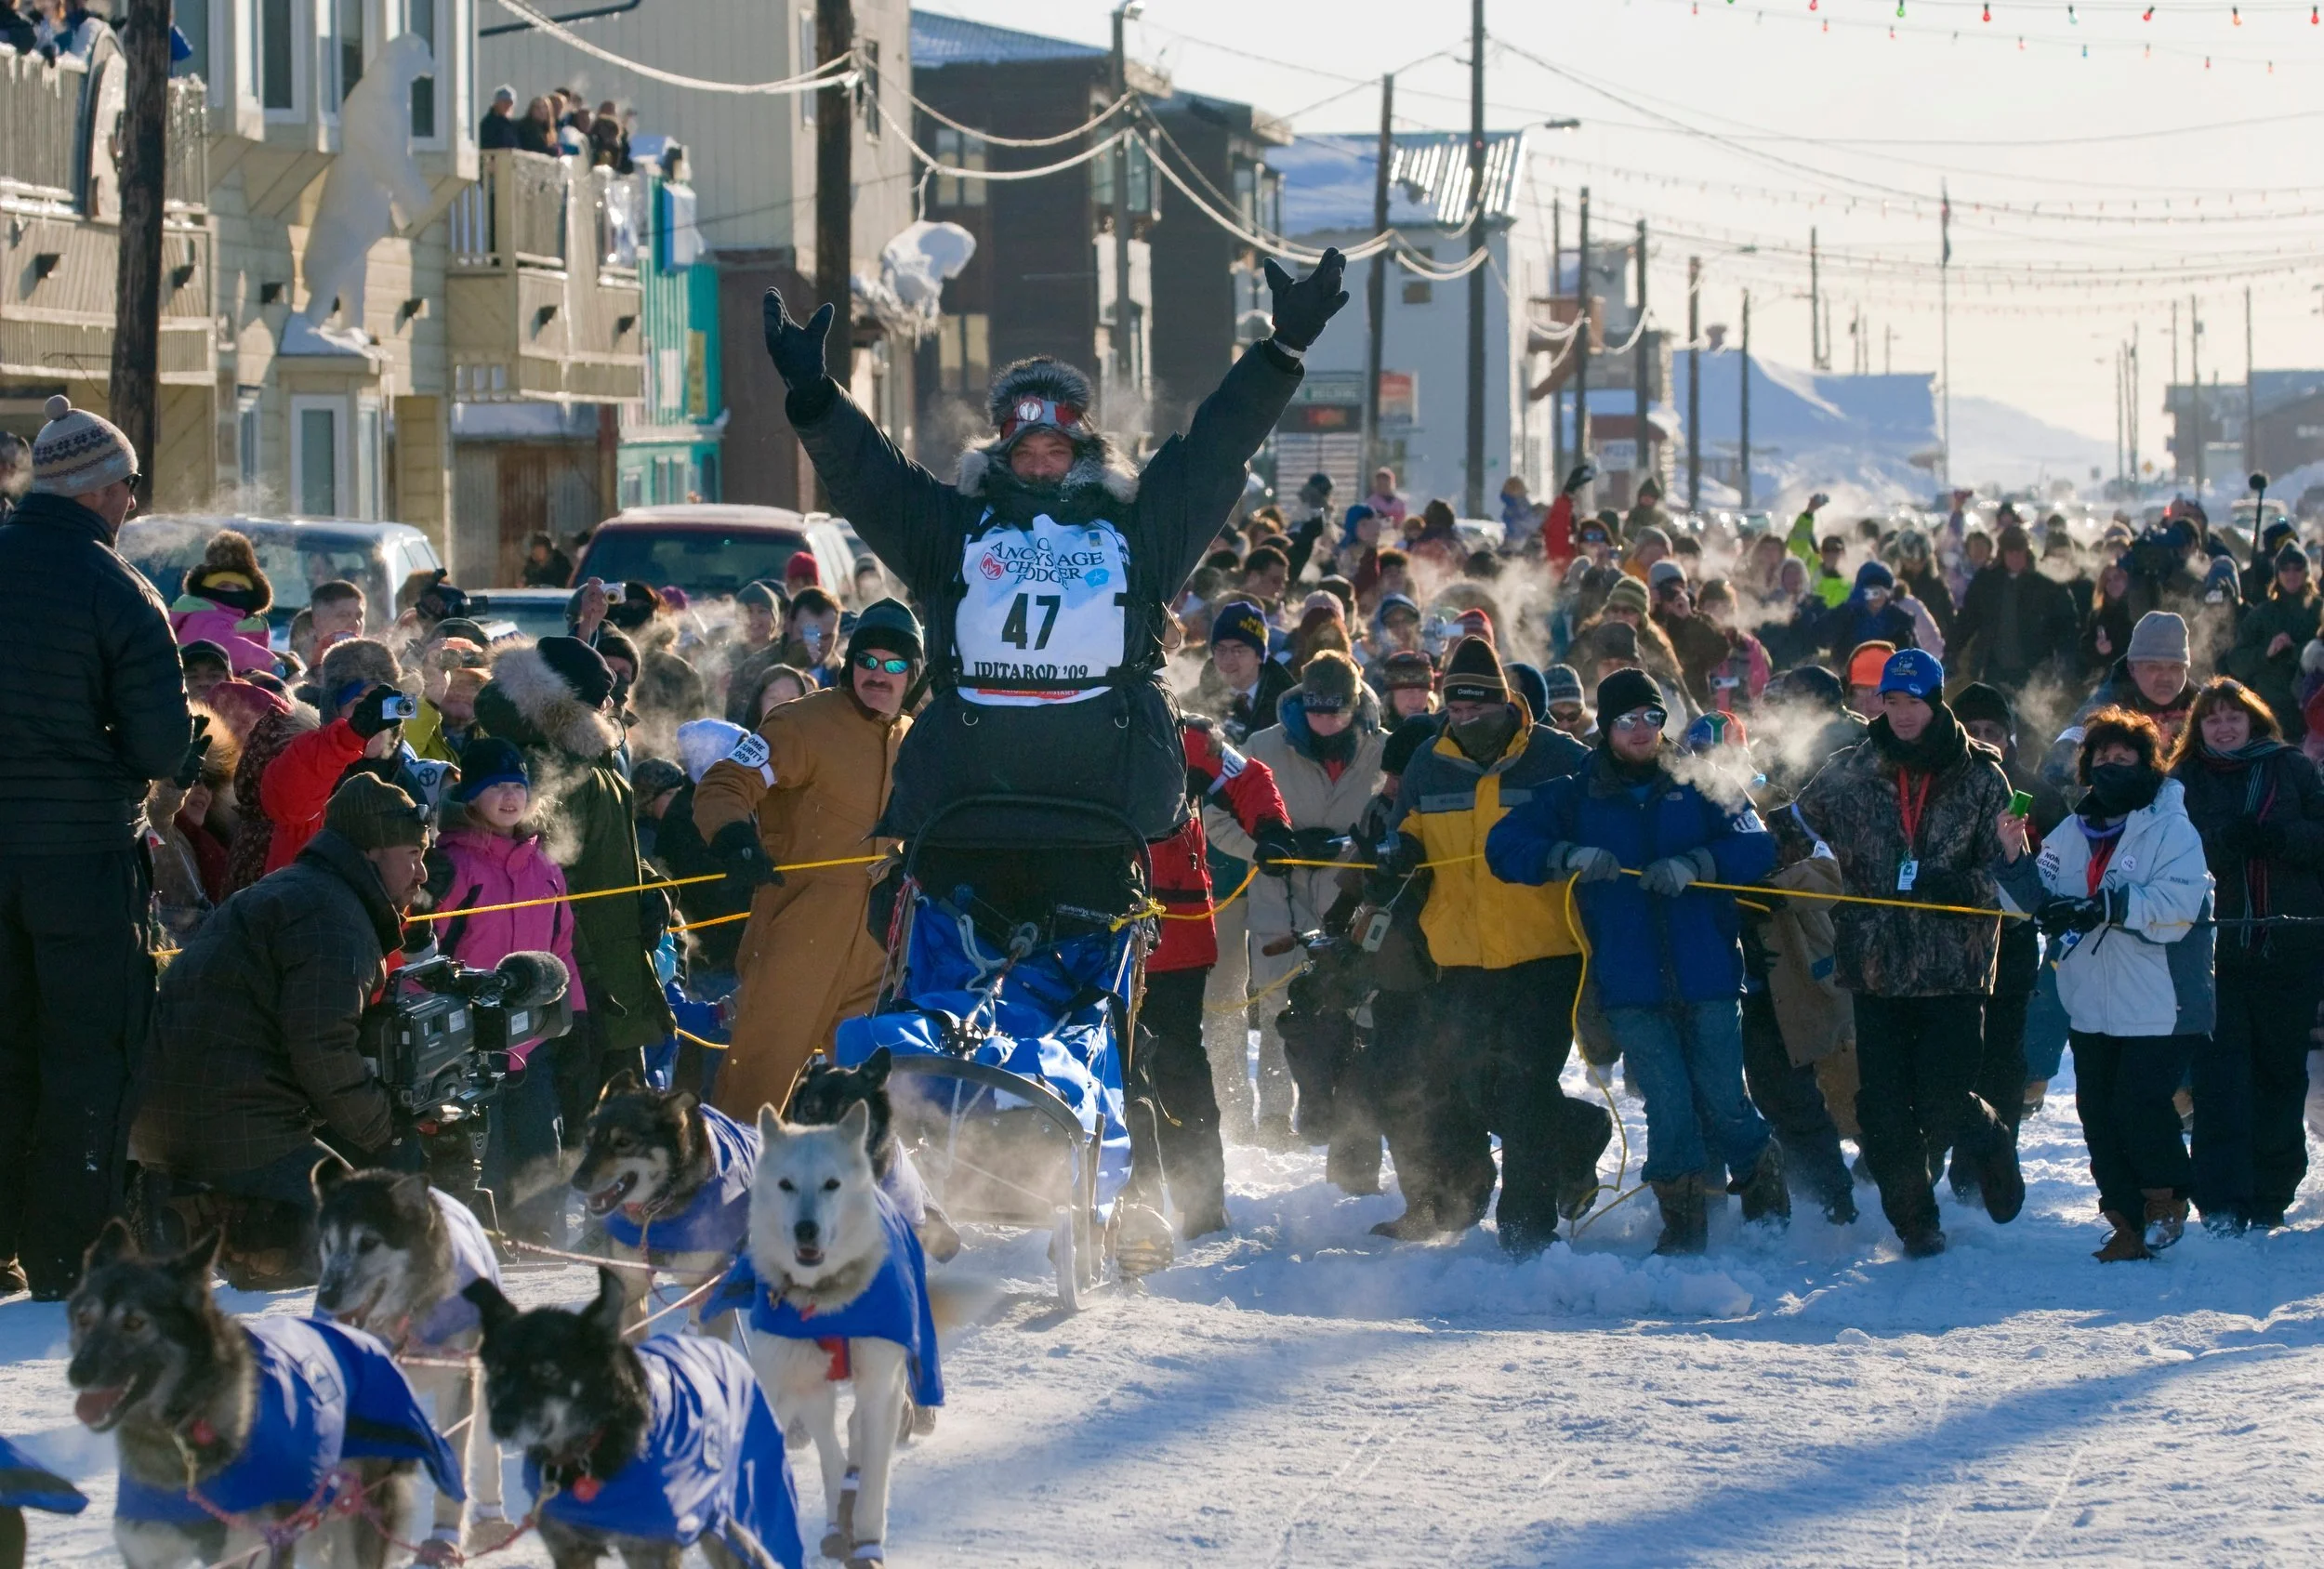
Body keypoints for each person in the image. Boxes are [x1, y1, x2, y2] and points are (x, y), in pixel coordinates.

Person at [758, 250, 1346, 930]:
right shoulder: (954, 529)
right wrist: (815, 396)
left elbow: (1215, 449)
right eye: (1024, 453)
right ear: (1000, 457)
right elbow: (871, 479)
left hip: (1099, 802)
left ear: (1084, 457)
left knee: (1084, 974)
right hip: (969, 801)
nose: (1039, 468)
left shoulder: (1136, 531)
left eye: (1056, 452)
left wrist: (1281, 351)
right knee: (947, 967)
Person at [1486, 667, 1788, 1255]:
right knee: (1669, 1103)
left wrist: (1699, 863)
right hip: (1629, 983)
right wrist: (1564, 854)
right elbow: (1504, 845)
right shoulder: (1577, 792)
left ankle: (1764, 1187)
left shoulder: (1703, 781)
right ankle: (1684, 1224)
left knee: (1725, 1100)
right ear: (1606, 727)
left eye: (1652, 717)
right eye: (1627, 720)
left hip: (1709, 974)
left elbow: (1757, 842)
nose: (1642, 729)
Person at [0, 396, 191, 1297]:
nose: (132, 502)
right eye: (128, 485)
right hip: (81, 856)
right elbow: (159, 745)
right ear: (97, 489)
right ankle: (66, 1255)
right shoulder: (116, 589)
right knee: (89, 1054)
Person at [132, 776, 429, 1287]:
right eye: (414, 854)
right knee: (357, 1233)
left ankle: (193, 1204)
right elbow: (323, 1048)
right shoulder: (334, 918)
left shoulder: (299, 891)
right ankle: (234, 1224)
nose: (422, 873)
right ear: (372, 851)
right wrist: (387, 1129)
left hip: (166, 1117)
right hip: (230, 1122)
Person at [1368, 636, 1608, 1251]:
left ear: (1504, 702)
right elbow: (1405, 831)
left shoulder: (1557, 756)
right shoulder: (1429, 762)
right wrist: (1400, 852)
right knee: (1465, 1087)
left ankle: (1526, 1227)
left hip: (1543, 953)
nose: (1464, 716)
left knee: (1525, 1089)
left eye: (1476, 705)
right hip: (1460, 958)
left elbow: (1605, 813)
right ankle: (1567, 1138)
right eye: (1454, 706)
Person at [1790, 649, 2021, 1258]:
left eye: (1913, 701)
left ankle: (1989, 1136)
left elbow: (2010, 875)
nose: (1901, 713)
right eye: (1891, 701)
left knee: (1943, 1100)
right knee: (1882, 1109)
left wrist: (1955, 886)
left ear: (1936, 702)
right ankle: (1915, 1222)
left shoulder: (1981, 777)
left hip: (1954, 968)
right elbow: (1790, 828)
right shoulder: (1850, 769)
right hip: (1873, 966)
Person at [2000, 708, 2213, 1261]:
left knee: (2140, 1104)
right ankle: (2124, 1219)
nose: (2112, 766)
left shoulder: (2171, 827)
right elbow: (2029, 900)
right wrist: (2012, 858)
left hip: (2162, 1001)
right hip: (2091, 1002)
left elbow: (2179, 904)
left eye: (2125, 758)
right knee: (2097, 1112)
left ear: (2149, 764)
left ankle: (2164, 1204)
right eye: (2102, 758)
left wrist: (2109, 906)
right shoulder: (2073, 831)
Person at [693, 601, 917, 1119]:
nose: (878, 674)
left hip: (876, 953)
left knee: (865, 1106)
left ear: (914, 675)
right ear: (850, 665)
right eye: (867, 661)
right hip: (798, 941)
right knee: (754, 1093)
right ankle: (735, 1169)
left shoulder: (917, 739)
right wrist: (735, 838)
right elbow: (726, 783)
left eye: (894, 665)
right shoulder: (803, 723)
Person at [473, 637, 673, 1137]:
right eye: (602, 700)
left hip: (614, 971)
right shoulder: (543, 765)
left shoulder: (587, 760)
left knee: (621, 1124)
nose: (610, 710)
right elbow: (547, 885)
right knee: (590, 1131)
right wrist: (587, 985)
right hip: (580, 984)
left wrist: (652, 890)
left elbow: (610, 852)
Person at [2169, 678, 2324, 1233]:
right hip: (2217, 952)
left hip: (2289, 948)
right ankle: (2222, 1200)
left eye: (2234, 716)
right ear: (2199, 727)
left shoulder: (2292, 768)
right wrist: (2221, 839)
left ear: (2254, 719)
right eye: (2213, 718)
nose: (2225, 726)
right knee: (2222, 1079)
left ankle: (2272, 1190)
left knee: (2280, 1074)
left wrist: (2282, 838)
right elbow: (2170, 849)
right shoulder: (2183, 779)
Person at [1134, 718, 1290, 1245]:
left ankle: (1200, 1202)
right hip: (1087, 930)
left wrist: (1270, 829)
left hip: (1173, 933)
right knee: (1102, 1070)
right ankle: (1123, 1196)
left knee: (1176, 1065)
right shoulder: (1059, 724)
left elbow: (1246, 778)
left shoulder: (1180, 735)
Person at [425, 741, 581, 1244]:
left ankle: (539, 1238)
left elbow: (561, 946)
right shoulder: (454, 864)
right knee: (480, 1149)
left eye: (518, 786)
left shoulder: (545, 868)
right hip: (467, 1041)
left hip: (530, 1037)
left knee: (538, 1142)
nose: (511, 796)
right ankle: (482, 1242)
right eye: (497, 786)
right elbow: (427, 949)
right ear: (472, 794)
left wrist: (570, 1013)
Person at [1236, 652, 1387, 1150]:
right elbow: (1215, 814)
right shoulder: (1262, 747)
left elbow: (1398, 817)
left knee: (1356, 1005)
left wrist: (1357, 849)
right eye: (1315, 710)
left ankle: (1347, 1115)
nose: (1325, 721)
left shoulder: (1382, 749)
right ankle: (1275, 1116)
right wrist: (1266, 846)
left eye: (1336, 712)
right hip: (1280, 898)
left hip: (1351, 899)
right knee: (1281, 1007)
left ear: (1355, 704)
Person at [257, 639, 407, 874]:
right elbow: (286, 804)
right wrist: (350, 736)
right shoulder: (307, 758)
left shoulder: (405, 778)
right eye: (359, 705)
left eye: (382, 706)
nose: (373, 716)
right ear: (333, 710)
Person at [2042, 611, 2197, 787]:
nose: (2166, 677)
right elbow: (2057, 770)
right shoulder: (2104, 708)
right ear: (2132, 668)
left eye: (2175, 668)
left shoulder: (2201, 706)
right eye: (2154, 667)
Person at [2223, 540, 2322, 746]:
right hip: (2269, 715)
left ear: (2306, 572)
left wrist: (2297, 650)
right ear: (2277, 573)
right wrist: (2266, 653)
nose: (2291, 574)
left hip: (2313, 717)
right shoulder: (2261, 615)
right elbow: (2236, 662)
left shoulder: (2319, 612)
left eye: (2297, 568)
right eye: (2285, 568)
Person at [167, 529, 276, 673]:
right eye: (224, 585)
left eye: (240, 587)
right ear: (206, 587)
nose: (233, 591)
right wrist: (271, 663)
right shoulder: (203, 615)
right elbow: (226, 646)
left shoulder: (243, 620)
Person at [1190, 598, 1295, 744]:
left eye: (1238, 651)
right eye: (1221, 649)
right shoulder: (1191, 703)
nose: (1228, 659)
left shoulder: (1288, 707)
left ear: (1259, 656)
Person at [479, 85, 520, 150]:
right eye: (505, 102)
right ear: (496, 103)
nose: (508, 106)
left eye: (511, 103)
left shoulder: (512, 126)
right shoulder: (488, 124)